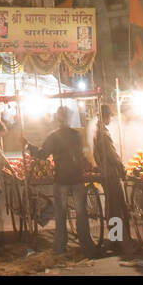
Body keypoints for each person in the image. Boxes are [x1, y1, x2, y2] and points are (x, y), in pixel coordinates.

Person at [26, 107, 98, 259]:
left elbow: (42, 154)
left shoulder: (54, 136)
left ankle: (60, 247)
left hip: (62, 180)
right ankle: (87, 246)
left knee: (61, 214)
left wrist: (28, 146)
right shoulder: (77, 135)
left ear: (58, 119)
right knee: (81, 214)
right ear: (69, 119)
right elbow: (80, 154)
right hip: (77, 178)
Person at [91, 105, 128, 254]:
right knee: (116, 208)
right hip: (110, 173)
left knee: (112, 207)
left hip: (105, 172)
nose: (111, 119)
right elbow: (111, 155)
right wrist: (121, 167)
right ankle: (117, 240)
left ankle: (115, 238)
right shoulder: (103, 134)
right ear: (105, 116)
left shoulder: (97, 131)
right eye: (110, 116)